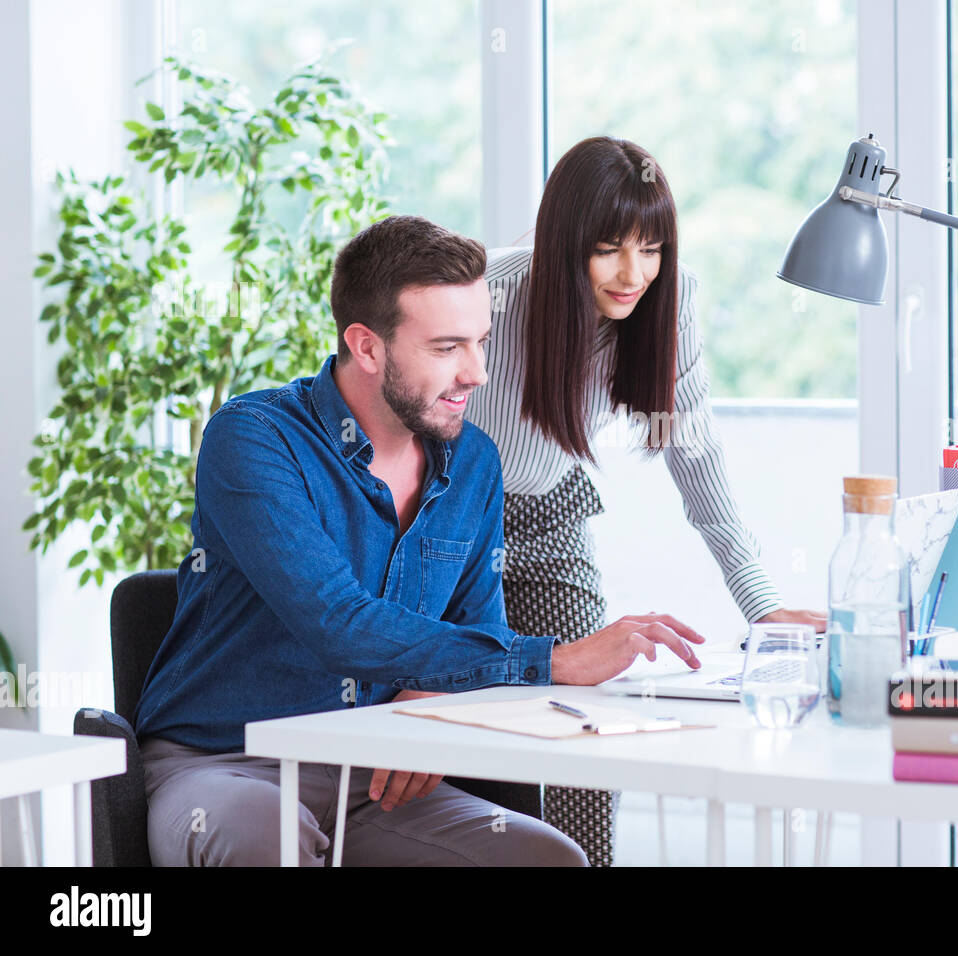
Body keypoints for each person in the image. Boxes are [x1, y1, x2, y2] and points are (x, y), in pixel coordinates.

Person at [132, 214, 704, 866]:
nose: (477, 373)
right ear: (368, 347)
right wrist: (555, 659)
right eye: (447, 348)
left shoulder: (474, 464)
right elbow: (337, 623)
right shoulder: (254, 439)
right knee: (267, 837)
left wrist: (429, 698)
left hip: (373, 775)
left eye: (481, 342)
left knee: (548, 858)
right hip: (223, 766)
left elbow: (474, 627)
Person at [465, 137, 828, 866]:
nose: (634, 274)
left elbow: (692, 451)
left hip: (551, 515)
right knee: (469, 730)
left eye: (652, 247)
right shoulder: (493, 295)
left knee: (585, 730)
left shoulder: (674, 296)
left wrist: (760, 602)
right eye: (608, 249)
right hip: (445, 525)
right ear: (565, 244)